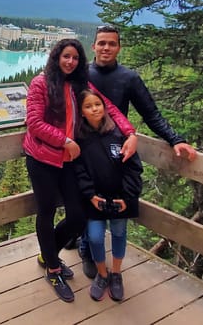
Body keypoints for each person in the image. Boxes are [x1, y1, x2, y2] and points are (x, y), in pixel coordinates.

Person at [77, 24, 198, 281]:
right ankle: (85, 248)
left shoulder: (128, 78)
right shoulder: (82, 73)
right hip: (85, 145)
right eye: (102, 43)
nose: (106, 47)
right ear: (94, 46)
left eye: (111, 43)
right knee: (84, 195)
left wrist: (175, 140)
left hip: (114, 148)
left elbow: (151, 113)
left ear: (119, 47)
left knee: (108, 200)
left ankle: (93, 250)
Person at [23, 38, 137, 302]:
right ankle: (52, 267)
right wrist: (65, 140)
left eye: (75, 58)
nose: (70, 62)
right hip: (42, 158)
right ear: (56, 57)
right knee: (46, 212)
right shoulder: (41, 83)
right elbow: (34, 122)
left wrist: (130, 132)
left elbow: (107, 107)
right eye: (66, 56)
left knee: (77, 215)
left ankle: (47, 252)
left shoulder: (79, 84)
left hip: (67, 160)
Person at [73, 89, 143, 301]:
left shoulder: (119, 134)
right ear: (82, 112)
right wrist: (90, 195)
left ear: (104, 108)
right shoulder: (80, 139)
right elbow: (78, 170)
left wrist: (127, 197)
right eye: (88, 106)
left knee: (119, 233)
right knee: (95, 237)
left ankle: (116, 274)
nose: (94, 109)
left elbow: (134, 168)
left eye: (98, 104)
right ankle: (102, 275)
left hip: (121, 199)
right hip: (95, 200)